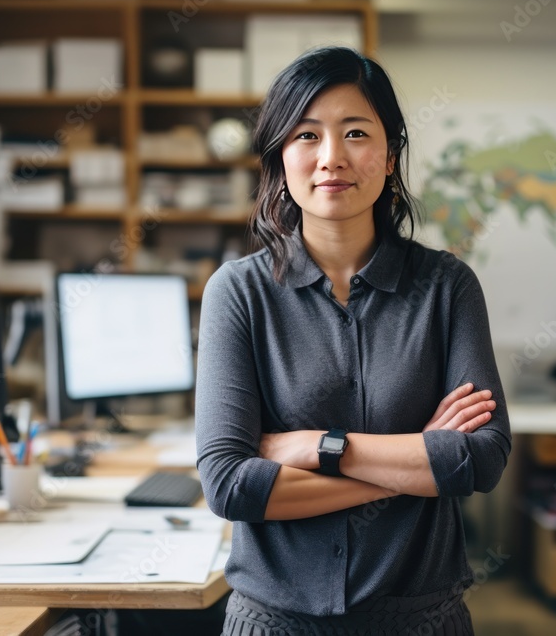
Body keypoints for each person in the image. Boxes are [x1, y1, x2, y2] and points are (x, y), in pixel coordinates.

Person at [195, 46, 512, 635]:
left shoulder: (447, 287)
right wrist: (418, 459)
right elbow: (229, 484)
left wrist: (318, 445)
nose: (332, 158)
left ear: (390, 156)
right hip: (276, 624)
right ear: (280, 157)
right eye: (307, 135)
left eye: (356, 133)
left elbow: (481, 458)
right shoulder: (236, 293)